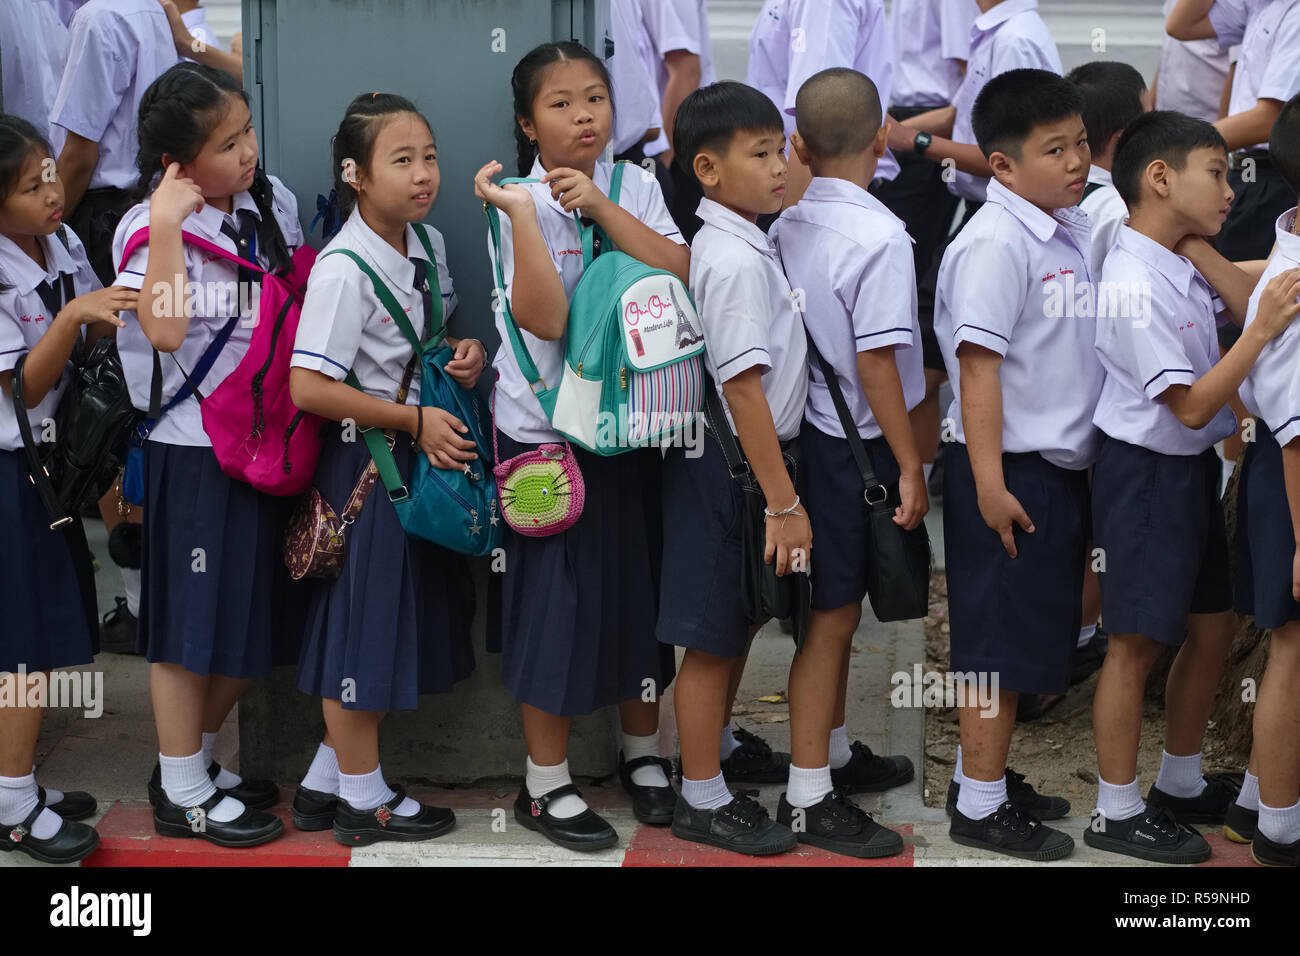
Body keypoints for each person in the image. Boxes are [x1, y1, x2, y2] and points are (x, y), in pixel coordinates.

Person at [475, 41, 686, 852]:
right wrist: (532, 215)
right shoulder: (510, 199)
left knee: (638, 595)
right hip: (546, 437)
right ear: (528, 121)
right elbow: (546, 319)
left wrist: (600, 207)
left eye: (594, 97)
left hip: (637, 428)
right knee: (553, 609)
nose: (583, 115)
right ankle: (545, 783)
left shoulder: (636, 185)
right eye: (560, 103)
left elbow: (680, 269)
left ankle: (643, 755)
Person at [1088, 110, 1300, 862]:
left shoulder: (1166, 253)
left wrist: (1201, 246)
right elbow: (1193, 403)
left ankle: (1176, 783)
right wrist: (1259, 335)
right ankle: (1115, 811)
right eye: (1216, 171)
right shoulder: (1130, 283)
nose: (1231, 189)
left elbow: (1245, 304)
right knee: (1134, 645)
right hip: (1145, 475)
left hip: (1187, 470)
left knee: (1211, 627)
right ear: (1159, 177)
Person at [112, 62, 304, 848]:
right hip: (191, 449)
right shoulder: (143, 230)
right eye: (228, 145)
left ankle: (187, 763)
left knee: (249, 619)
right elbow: (160, 332)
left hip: (267, 442)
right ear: (177, 166)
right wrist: (163, 225)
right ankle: (183, 788)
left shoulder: (270, 202)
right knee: (189, 626)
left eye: (248, 131)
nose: (248, 152)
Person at [288, 93, 485, 845]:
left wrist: (467, 357)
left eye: (429, 155)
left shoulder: (427, 245)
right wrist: (410, 420)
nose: (423, 173)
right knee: (361, 635)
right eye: (401, 160)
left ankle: (318, 787)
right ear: (357, 176)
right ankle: (363, 803)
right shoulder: (344, 268)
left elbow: (429, 344)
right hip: (369, 469)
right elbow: (309, 387)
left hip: (415, 458)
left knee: (382, 624)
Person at [936, 68, 1099, 861]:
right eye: (1055, 150)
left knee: (1028, 638)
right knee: (993, 649)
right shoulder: (996, 244)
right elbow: (978, 370)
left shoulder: (1056, 226)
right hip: (1007, 473)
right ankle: (978, 805)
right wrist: (991, 485)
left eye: (1082, 144)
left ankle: (990, 782)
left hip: (1049, 470)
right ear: (1000, 165)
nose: (1078, 162)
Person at [768, 68, 925, 857]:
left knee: (823, 617)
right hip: (854, 448)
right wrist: (912, 463)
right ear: (885, 133)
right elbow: (877, 367)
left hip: (807, 444)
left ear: (797, 145)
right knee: (830, 624)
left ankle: (826, 758)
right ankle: (806, 796)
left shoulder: (786, 222)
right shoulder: (881, 239)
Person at [658, 80, 804, 857]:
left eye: (780, 149)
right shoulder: (733, 259)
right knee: (713, 636)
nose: (780, 166)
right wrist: (784, 503)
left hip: (741, 468)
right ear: (707, 170)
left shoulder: (745, 238)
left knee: (736, 621)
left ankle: (705, 769)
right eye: (761, 154)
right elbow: (743, 388)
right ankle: (702, 796)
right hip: (734, 470)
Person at [0, 114, 134, 864]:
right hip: (10, 469)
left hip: (53, 469)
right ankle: (14, 803)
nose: (54, 192)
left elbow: (96, 334)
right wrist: (75, 317)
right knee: (18, 645)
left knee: (44, 634)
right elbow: (19, 383)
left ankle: (15, 783)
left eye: (52, 173)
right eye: (30, 186)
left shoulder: (64, 241)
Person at [1235, 92, 1300, 866]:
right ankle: (1281, 829)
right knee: (1291, 650)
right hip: (1291, 485)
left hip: (1275, 475)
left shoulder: (1283, 247)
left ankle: (1261, 798)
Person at [50, 0, 179, 286]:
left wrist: (49, 237)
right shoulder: (150, 8)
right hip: (149, 200)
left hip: (102, 214)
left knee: (100, 324)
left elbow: (81, 153)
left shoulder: (97, 17)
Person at [1167, 0, 1300, 262]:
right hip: (1244, 170)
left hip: (1271, 177)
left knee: (1245, 291)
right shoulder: (1260, 5)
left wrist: (1184, 146)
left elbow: (1271, 118)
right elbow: (1180, 25)